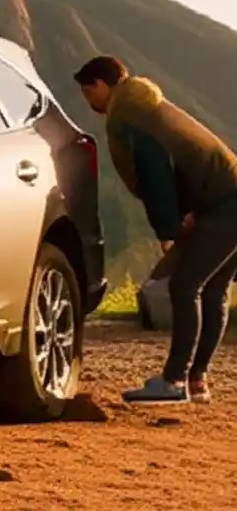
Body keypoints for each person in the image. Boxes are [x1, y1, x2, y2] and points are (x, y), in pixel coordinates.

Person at [74, 55, 237, 404]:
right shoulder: (151, 106)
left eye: (88, 95)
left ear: (98, 85)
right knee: (213, 291)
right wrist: (189, 209)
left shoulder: (129, 117)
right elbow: (185, 161)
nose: (90, 104)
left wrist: (169, 228)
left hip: (225, 206)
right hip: (227, 194)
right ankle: (197, 381)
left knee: (184, 286)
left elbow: (155, 173)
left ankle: (174, 382)